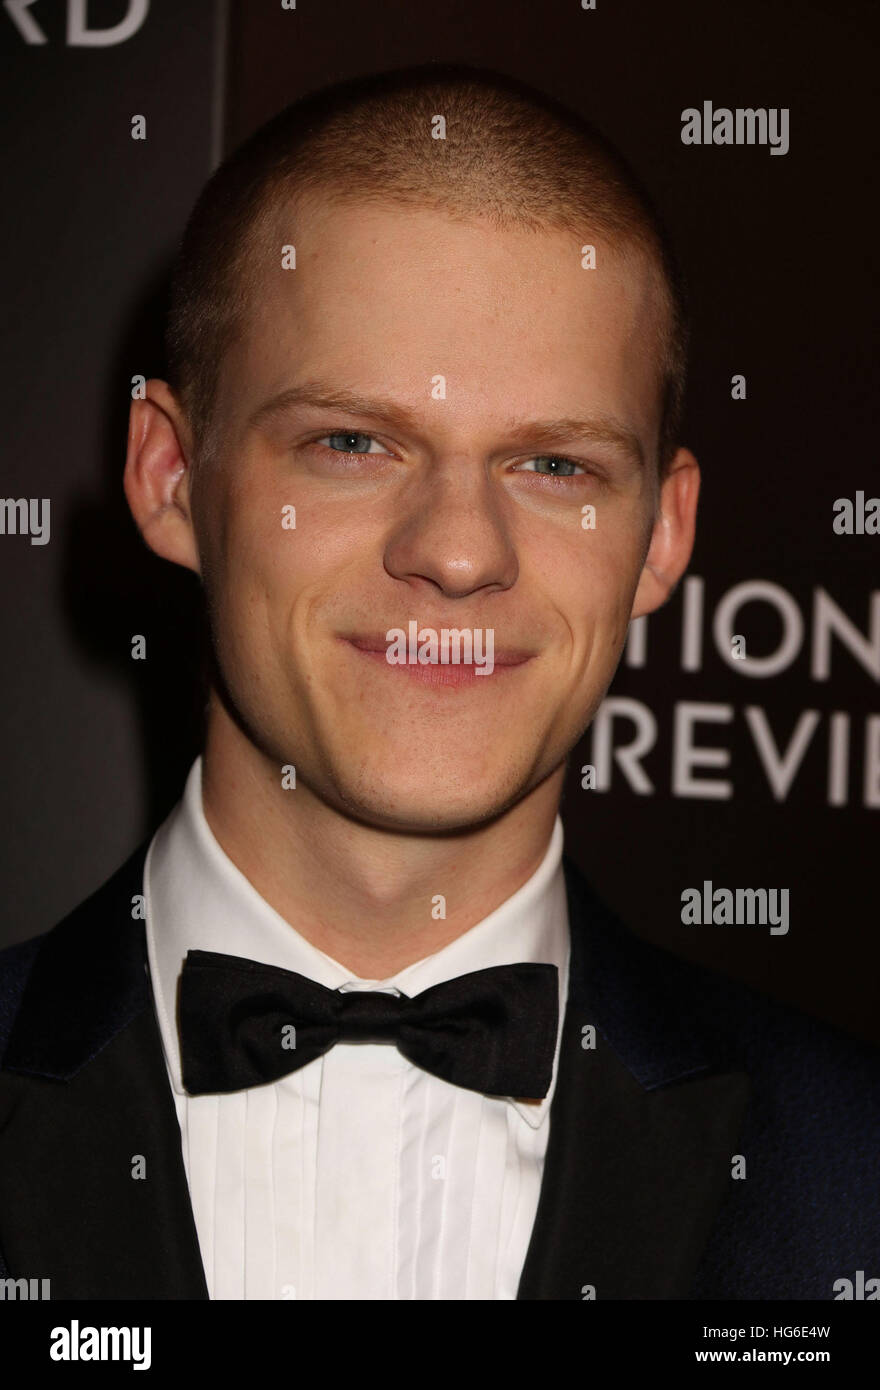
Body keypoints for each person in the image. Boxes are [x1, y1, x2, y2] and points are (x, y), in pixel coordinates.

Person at [1, 64, 877, 1302]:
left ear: (664, 535)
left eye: (556, 465)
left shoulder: (854, 1181)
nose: (460, 551)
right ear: (170, 476)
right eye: (353, 443)